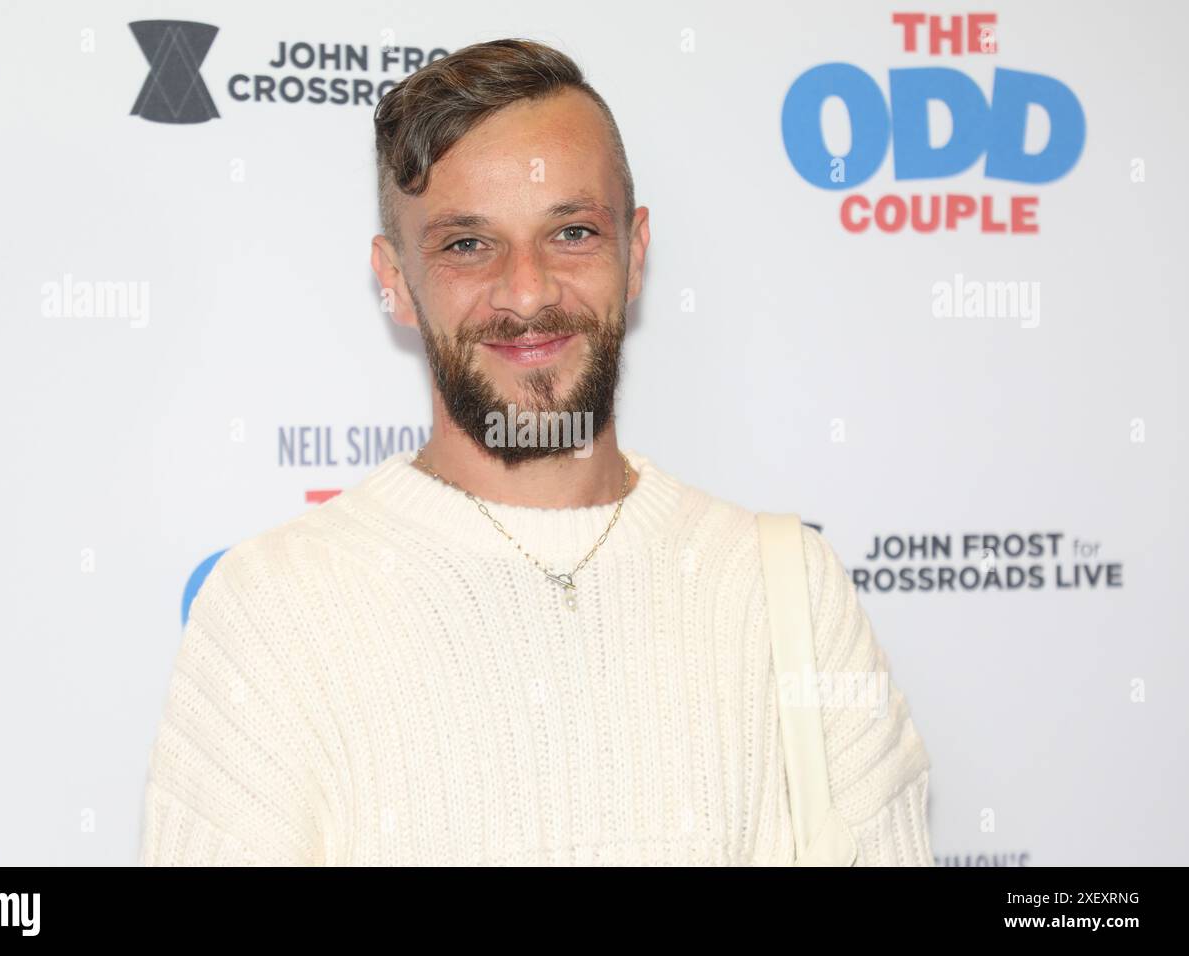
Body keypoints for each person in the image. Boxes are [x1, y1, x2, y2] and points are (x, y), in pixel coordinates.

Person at [139, 37, 934, 866]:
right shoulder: (274, 611)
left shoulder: (789, 593)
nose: (527, 292)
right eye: (467, 245)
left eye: (573, 232)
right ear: (397, 280)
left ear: (636, 252)